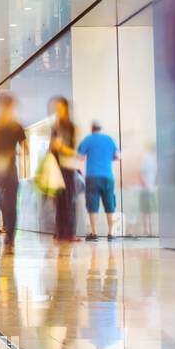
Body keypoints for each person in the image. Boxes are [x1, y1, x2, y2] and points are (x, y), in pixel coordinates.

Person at [0, 94, 27, 256]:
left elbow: (25, 148)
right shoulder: (7, 126)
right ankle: (9, 239)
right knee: (7, 203)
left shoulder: (5, 127)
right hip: (4, 170)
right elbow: (25, 148)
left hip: (6, 171)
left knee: (8, 204)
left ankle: (9, 239)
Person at [77, 120, 121, 241]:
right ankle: (111, 234)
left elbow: (80, 157)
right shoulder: (109, 139)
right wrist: (107, 158)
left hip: (92, 177)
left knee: (92, 204)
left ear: (92, 129)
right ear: (101, 128)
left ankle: (94, 233)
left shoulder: (87, 139)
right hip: (108, 177)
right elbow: (118, 156)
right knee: (110, 203)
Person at [48, 96, 79, 243]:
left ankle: (69, 233)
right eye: (56, 108)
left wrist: (61, 147)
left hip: (68, 167)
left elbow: (74, 151)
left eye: (60, 108)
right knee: (59, 201)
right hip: (56, 167)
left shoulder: (71, 127)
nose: (57, 111)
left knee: (68, 200)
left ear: (66, 108)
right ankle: (60, 232)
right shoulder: (55, 127)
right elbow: (51, 148)